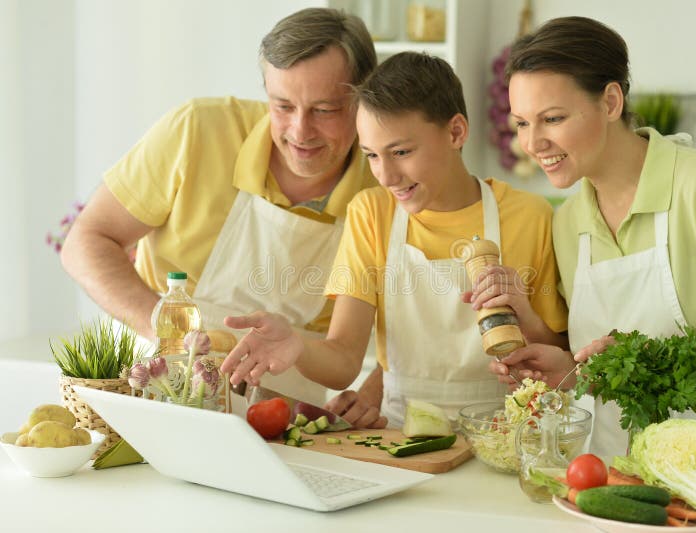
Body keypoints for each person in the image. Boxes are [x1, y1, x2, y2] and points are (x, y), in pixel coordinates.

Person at [482, 16, 696, 456]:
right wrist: (566, 369)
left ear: (611, 101)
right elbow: (602, 363)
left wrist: (661, 361)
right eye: (521, 123)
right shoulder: (569, 220)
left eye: (552, 118)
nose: (533, 143)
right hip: (610, 480)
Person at [220, 52, 569, 428]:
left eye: (401, 152)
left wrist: (526, 315)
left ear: (455, 132)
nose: (385, 175)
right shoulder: (372, 214)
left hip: (505, 434)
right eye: (372, 155)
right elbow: (343, 360)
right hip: (403, 435)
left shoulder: (529, 216)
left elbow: (559, 356)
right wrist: (297, 345)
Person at [60, 8, 378, 404]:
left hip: (289, 420)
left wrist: (373, 393)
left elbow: (415, 325)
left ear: (364, 99)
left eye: (325, 110)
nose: (300, 131)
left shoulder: (386, 189)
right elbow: (86, 241)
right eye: (282, 106)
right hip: (156, 385)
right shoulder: (198, 130)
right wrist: (167, 333)